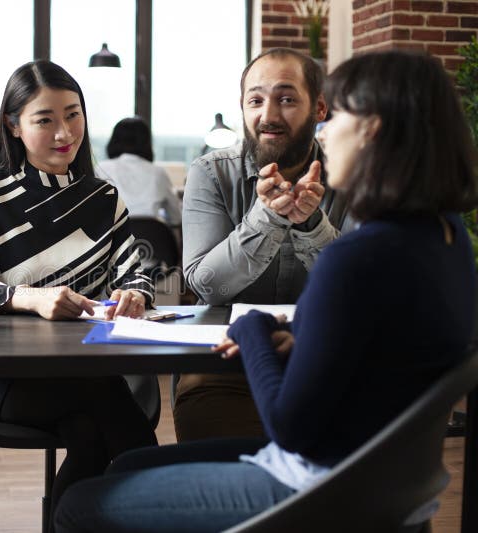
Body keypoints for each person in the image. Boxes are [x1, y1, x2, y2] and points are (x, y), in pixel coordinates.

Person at [53, 48, 478, 533]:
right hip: (391, 482)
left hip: (320, 483)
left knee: (78, 507)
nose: (326, 133)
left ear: (371, 131)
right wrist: (306, 335)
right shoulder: (447, 238)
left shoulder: (356, 258)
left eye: (336, 117)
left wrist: (254, 329)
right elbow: (386, 348)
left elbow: (291, 428)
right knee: (128, 466)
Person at [0, 59, 158, 528]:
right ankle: (161, 494)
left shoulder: (104, 198)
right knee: (114, 411)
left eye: (73, 114)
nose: (65, 132)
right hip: (0, 376)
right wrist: (33, 299)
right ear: (14, 125)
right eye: (45, 119)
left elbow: (137, 276)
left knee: (88, 437)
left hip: (80, 369)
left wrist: (135, 297)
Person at [175, 48, 351, 442]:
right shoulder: (211, 172)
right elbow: (206, 285)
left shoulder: (351, 175)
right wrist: (266, 219)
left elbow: (359, 289)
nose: (268, 115)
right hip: (225, 366)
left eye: (287, 99)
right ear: (242, 107)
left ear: (319, 108)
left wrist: (310, 225)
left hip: (324, 365)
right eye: (256, 100)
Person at [95, 116, 182, 225]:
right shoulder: (158, 173)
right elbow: (176, 217)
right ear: (147, 143)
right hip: (152, 240)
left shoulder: (101, 169)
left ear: (114, 141)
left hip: (112, 239)